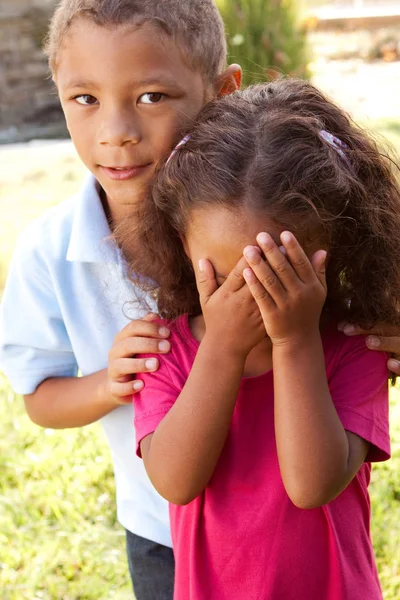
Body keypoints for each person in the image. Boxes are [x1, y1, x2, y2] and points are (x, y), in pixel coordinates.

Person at [116, 79, 400, 599]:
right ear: (183, 242)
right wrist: (221, 349)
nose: (252, 300)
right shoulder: (166, 352)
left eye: (277, 274)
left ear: (335, 246)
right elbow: (175, 482)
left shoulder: (357, 348)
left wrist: (294, 344)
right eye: (227, 278)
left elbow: (311, 485)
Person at [0, 1, 242, 598]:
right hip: (161, 532)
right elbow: (41, 397)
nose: (116, 132)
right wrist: (108, 382)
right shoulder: (49, 253)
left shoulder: (265, 215)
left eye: (152, 97)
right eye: (84, 99)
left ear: (222, 92)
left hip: (296, 512)